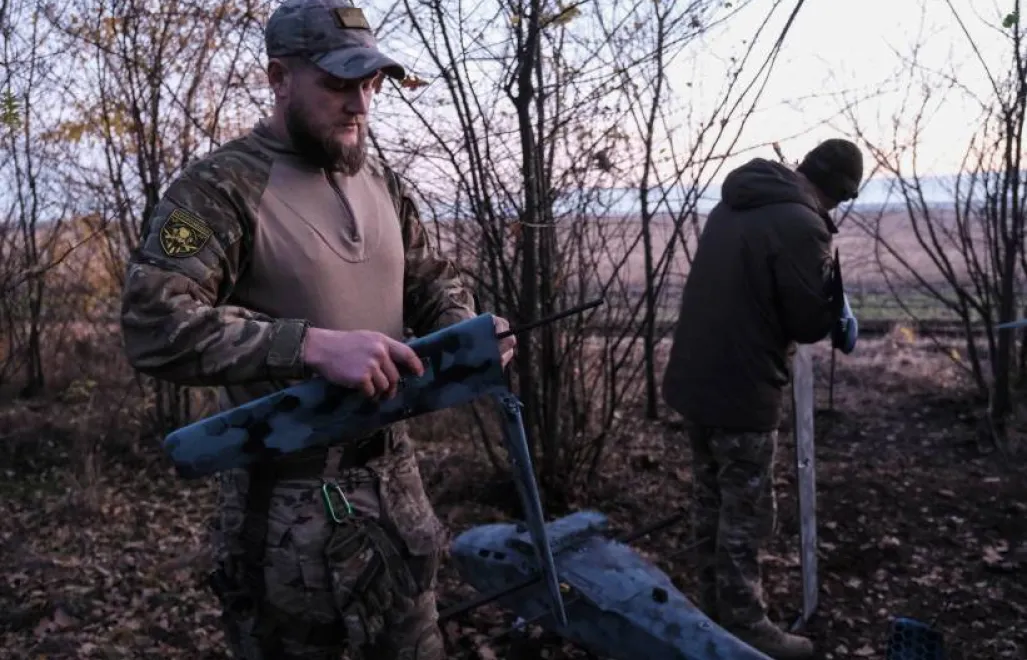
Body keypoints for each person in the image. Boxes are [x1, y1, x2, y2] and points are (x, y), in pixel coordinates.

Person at [119, 1, 516, 657]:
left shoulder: (383, 182)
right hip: (285, 512)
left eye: (371, 84)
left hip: (396, 494)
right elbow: (154, 323)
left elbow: (429, 279)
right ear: (279, 78)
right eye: (337, 84)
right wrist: (307, 344)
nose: (360, 105)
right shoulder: (219, 190)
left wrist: (465, 334)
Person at [660, 138, 863, 659]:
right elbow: (807, 321)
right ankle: (745, 627)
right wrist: (834, 307)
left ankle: (712, 615)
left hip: (696, 379)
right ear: (839, 191)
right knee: (745, 512)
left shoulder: (735, 203)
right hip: (743, 387)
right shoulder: (801, 222)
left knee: (710, 502)